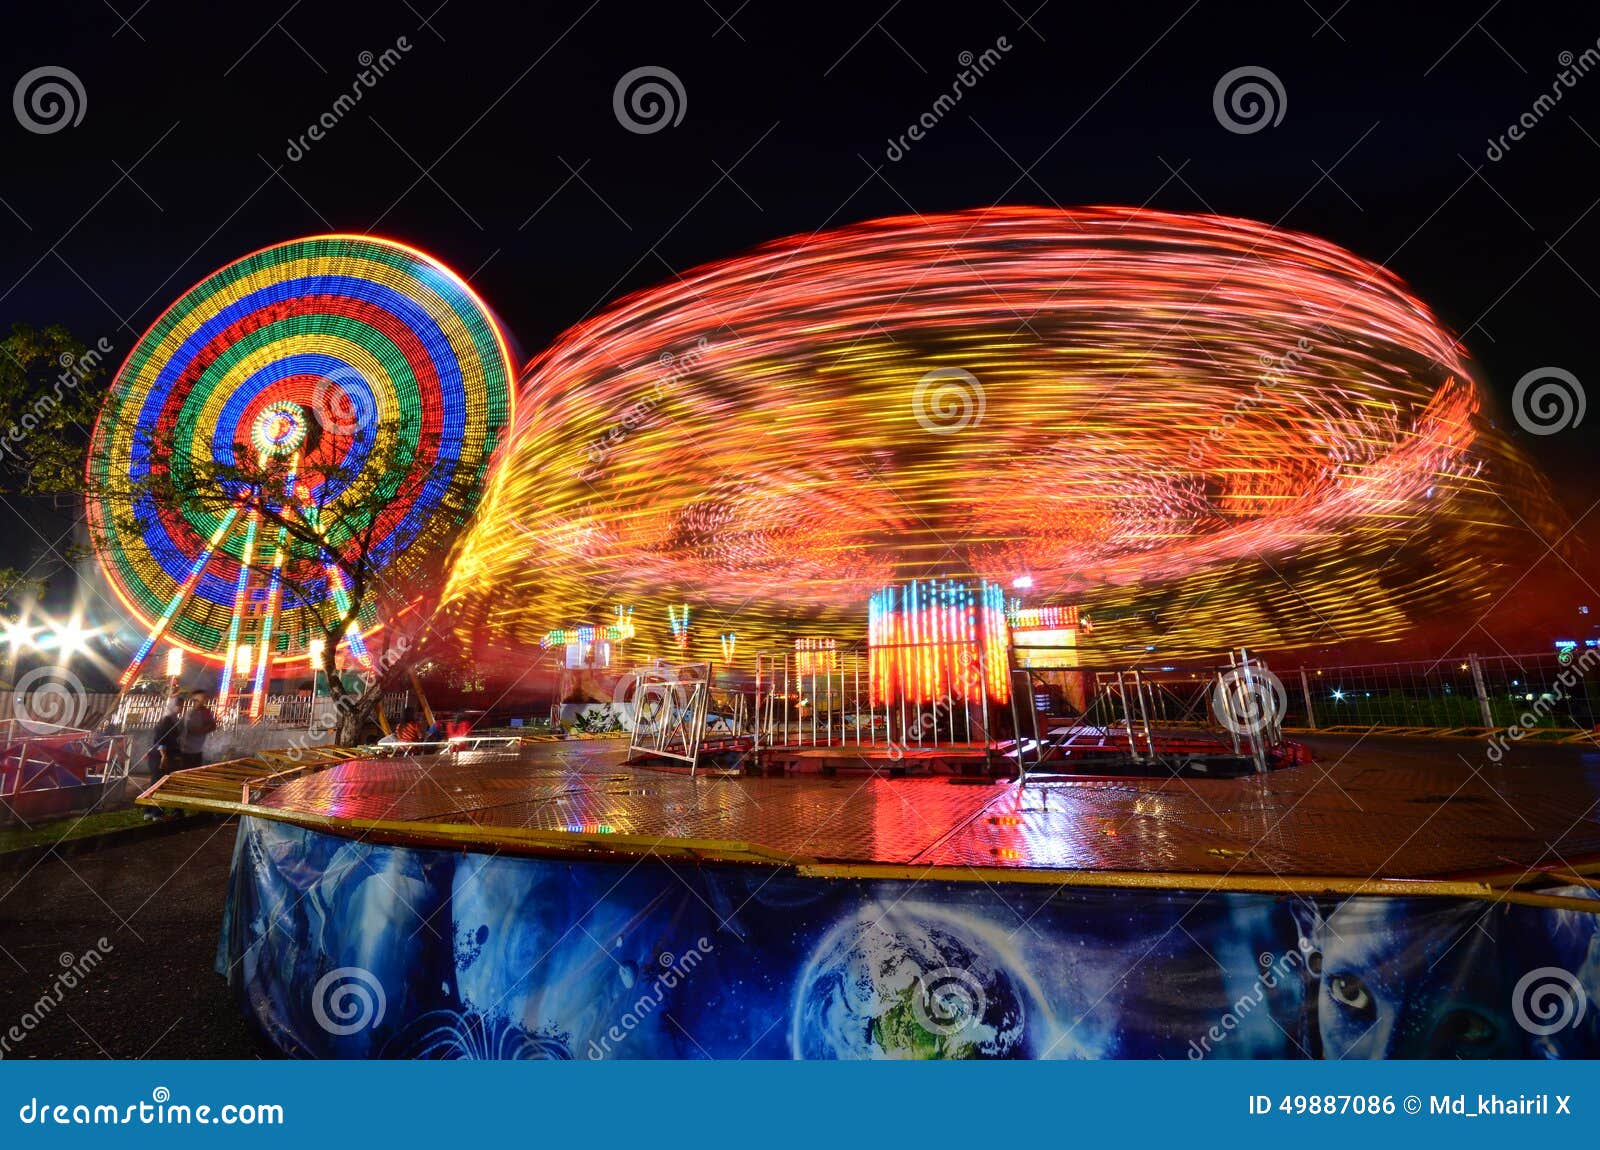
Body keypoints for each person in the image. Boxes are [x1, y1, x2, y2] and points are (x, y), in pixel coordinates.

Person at [180, 690, 217, 769]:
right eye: (200, 699)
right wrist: (206, 727)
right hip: (186, 751)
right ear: (194, 701)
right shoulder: (191, 714)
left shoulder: (205, 712)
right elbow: (195, 731)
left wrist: (208, 725)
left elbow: (213, 726)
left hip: (197, 750)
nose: (203, 702)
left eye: (204, 699)